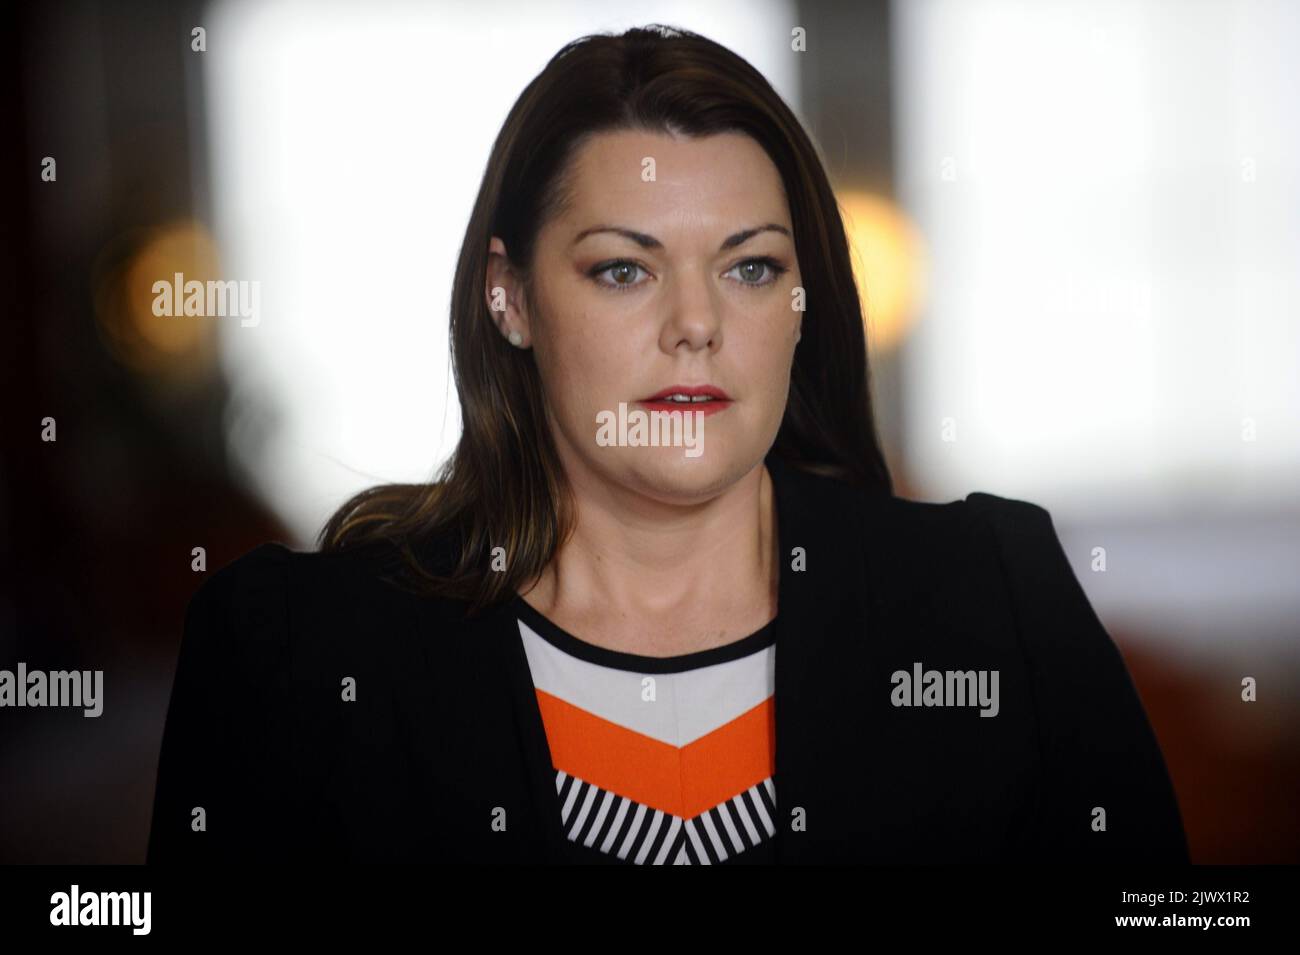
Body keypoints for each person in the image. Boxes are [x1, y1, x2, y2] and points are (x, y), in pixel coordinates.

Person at [146, 24, 1189, 864]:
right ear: (508, 298)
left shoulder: (992, 598)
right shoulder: (292, 652)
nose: (696, 323)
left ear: (800, 304)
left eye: (748, 268)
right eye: (622, 269)